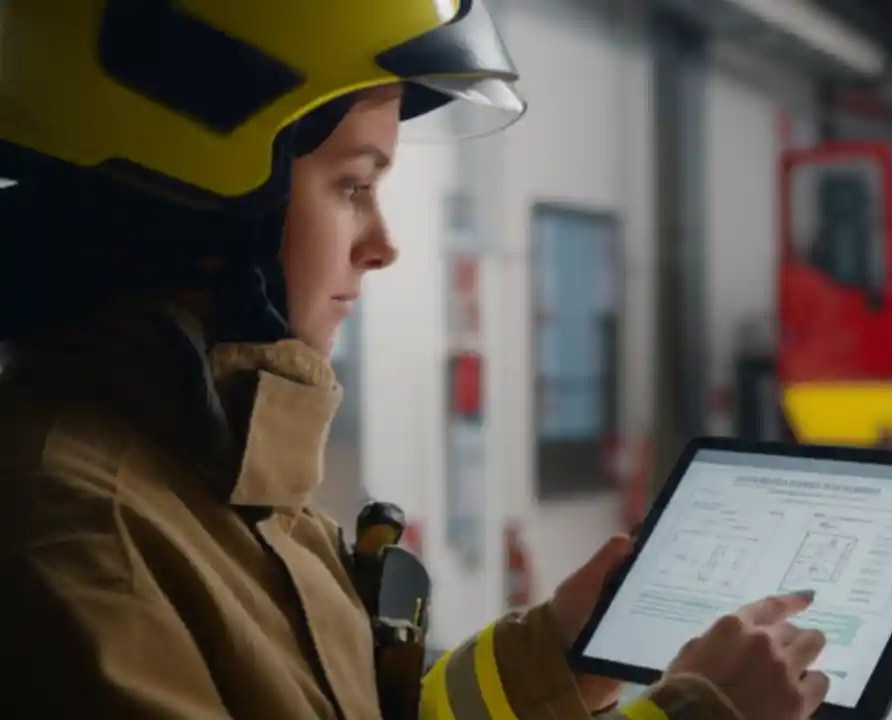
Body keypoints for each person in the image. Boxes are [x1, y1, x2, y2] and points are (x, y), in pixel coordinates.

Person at [0, 2, 829, 719]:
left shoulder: (218, 483)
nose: (383, 245)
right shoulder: (82, 540)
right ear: (204, 205)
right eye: (355, 186)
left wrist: (555, 660)